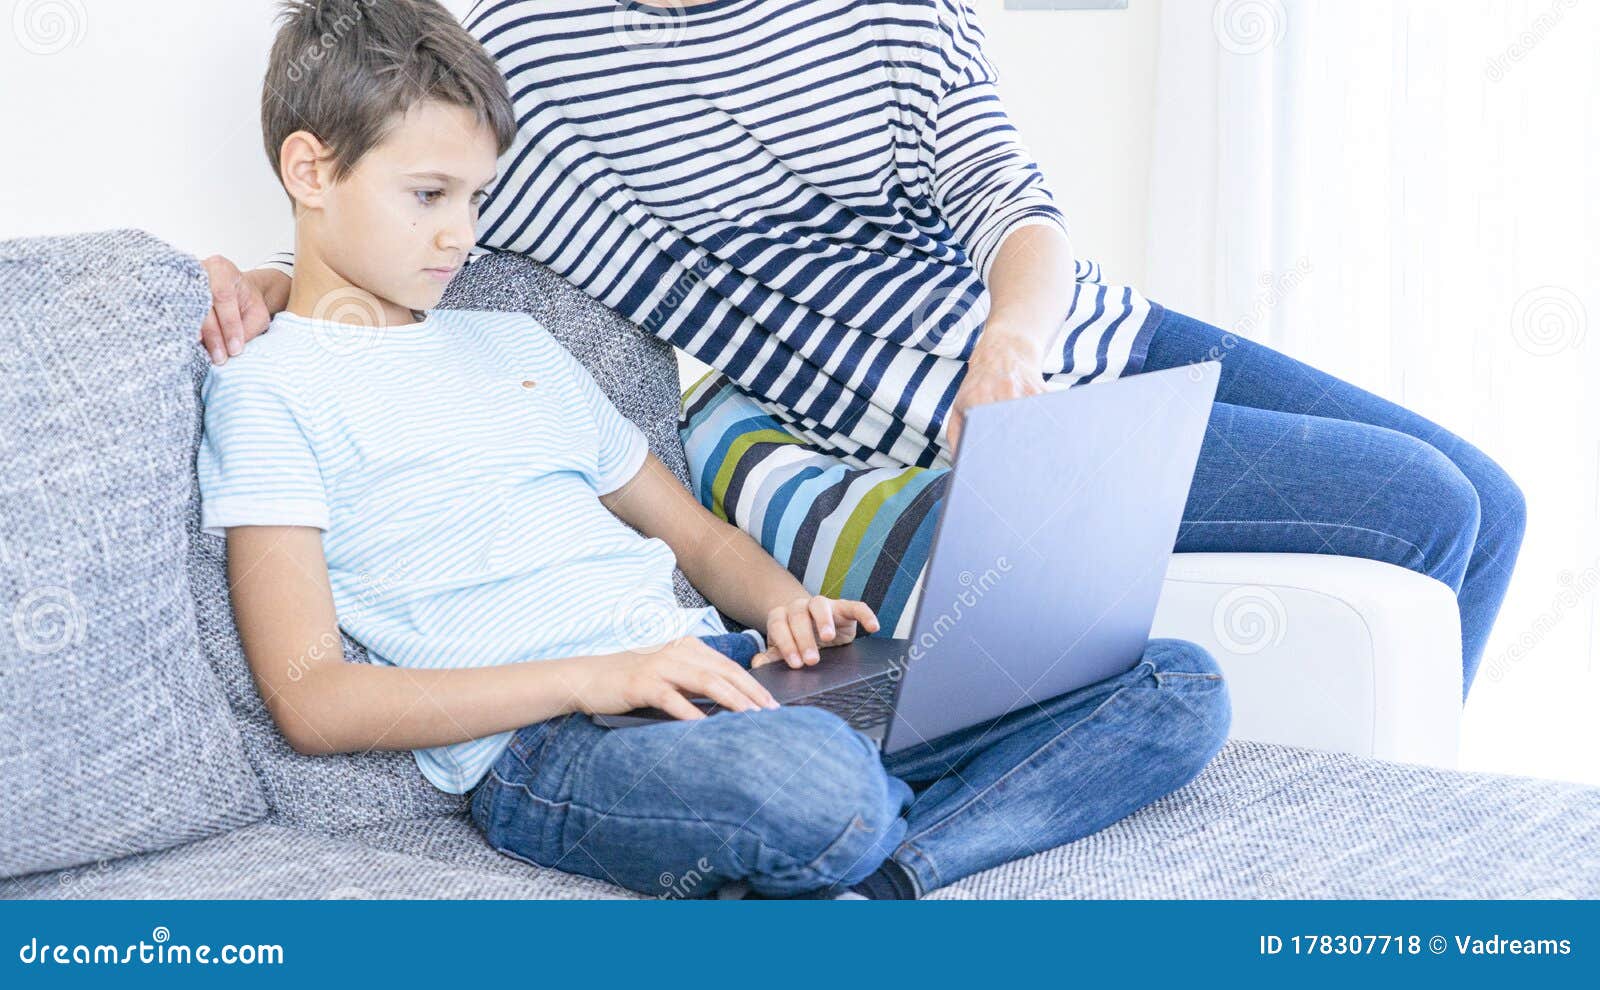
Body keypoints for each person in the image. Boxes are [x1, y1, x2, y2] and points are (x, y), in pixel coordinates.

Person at [202, 0, 1230, 900]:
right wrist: (593, 676)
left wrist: (785, 604)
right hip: (552, 745)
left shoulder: (516, 344)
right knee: (821, 788)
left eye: (476, 198)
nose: (462, 235)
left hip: (716, 669)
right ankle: (869, 823)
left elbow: (694, 539)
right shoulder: (269, 387)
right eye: (429, 195)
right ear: (310, 168)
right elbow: (312, 698)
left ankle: (885, 874)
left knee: (1173, 686)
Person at [204, 0, 1525, 701]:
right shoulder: (534, 53)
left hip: (1067, 331)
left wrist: (1014, 336)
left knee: (1495, 504)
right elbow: (418, 198)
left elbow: (1010, 199)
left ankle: (1389, 839)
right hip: (899, 411)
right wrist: (263, 274)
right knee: (1427, 506)